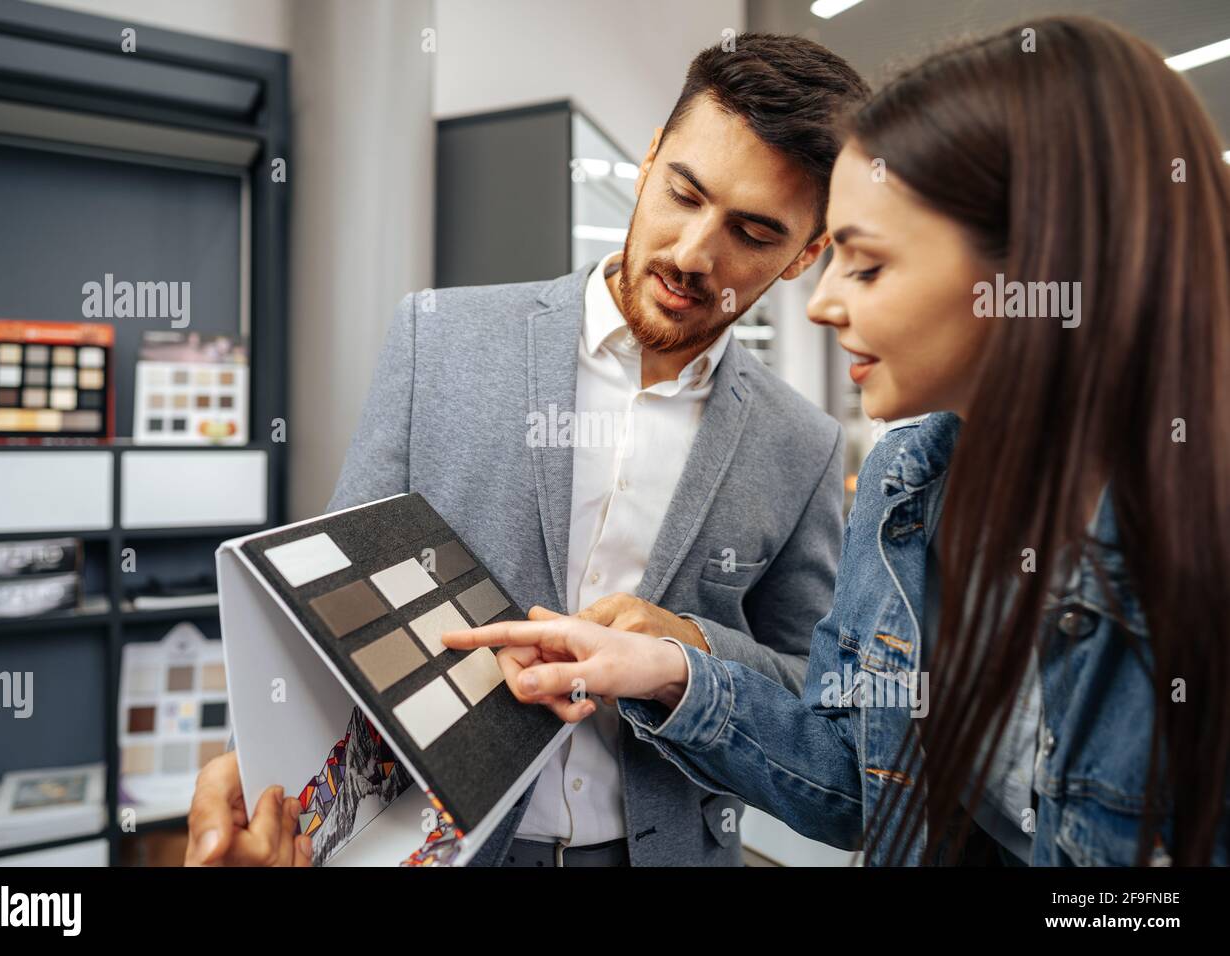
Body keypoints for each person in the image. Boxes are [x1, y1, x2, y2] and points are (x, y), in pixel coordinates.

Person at [445, 15, 1230, 866]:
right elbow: (863, 775)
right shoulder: (908, 483)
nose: (820, 305)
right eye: (685, 193)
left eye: (866, 264)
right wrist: (661, 668)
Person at [185, 33, 869, 867]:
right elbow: (330, 610)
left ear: (806, 254)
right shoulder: (438, 339)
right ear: (650, 158)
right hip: (441, 846)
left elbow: (818, 699)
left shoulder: (800, 443)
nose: (693, 254)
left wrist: (684, 646)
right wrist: (264, 769)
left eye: (753, 232)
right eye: (683, 193)